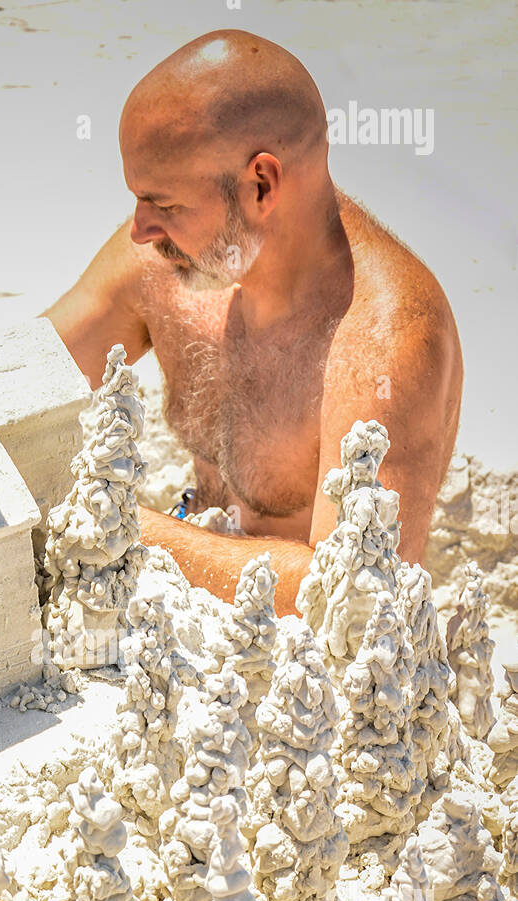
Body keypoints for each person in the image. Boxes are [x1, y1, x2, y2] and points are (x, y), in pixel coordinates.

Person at [45, 30, 462, 616]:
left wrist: (124, 525)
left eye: (163, 204)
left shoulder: (383, 342)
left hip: (291, 677)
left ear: (261, 185)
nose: (139, 230)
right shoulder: (166, 262)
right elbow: (25, 384)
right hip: (175, 612)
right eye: (138, 199)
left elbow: (352, 598)